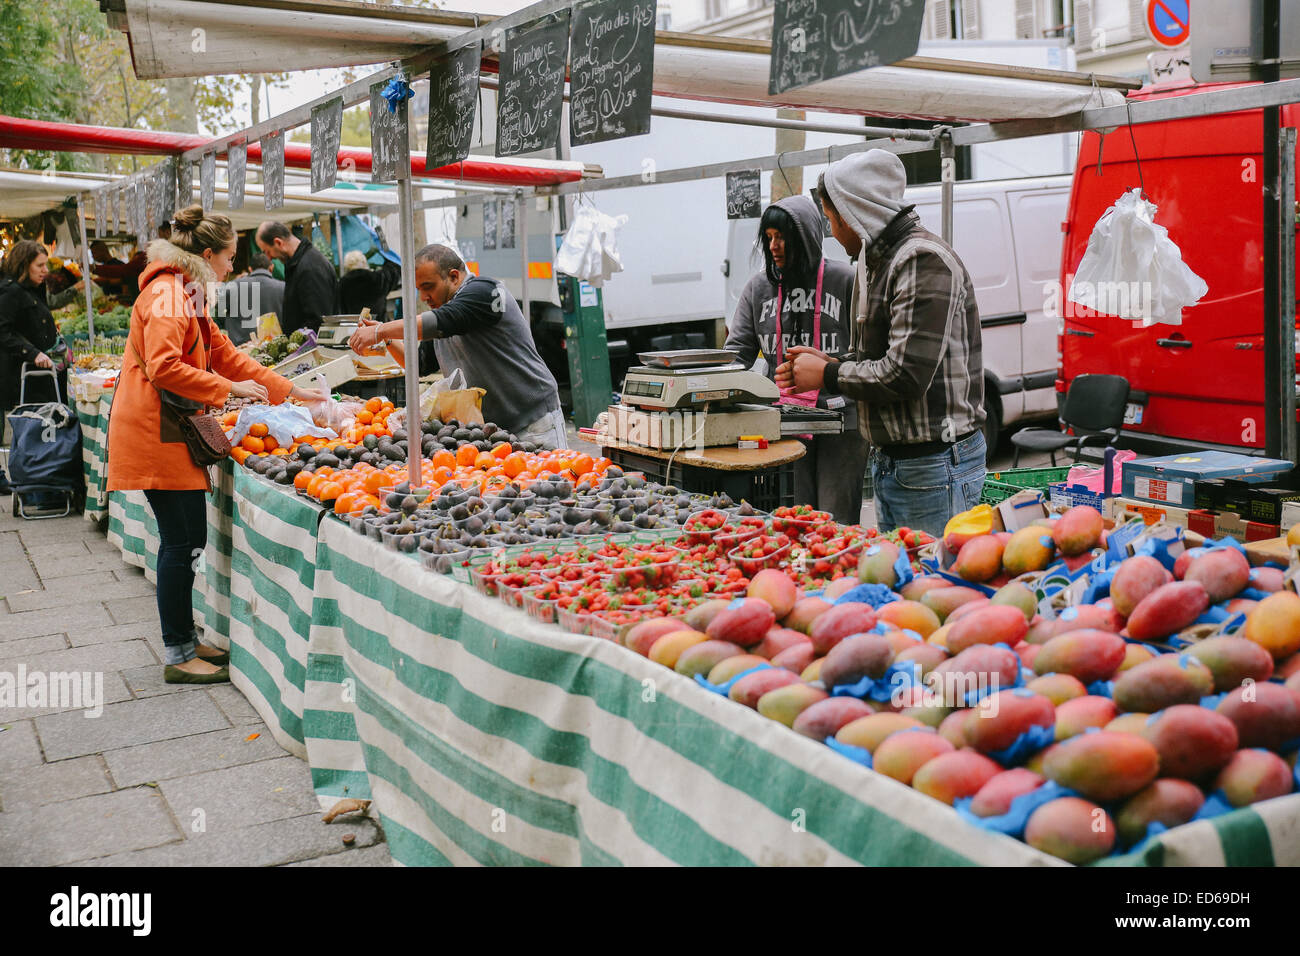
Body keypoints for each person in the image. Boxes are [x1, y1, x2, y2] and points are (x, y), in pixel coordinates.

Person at [106, 206, 324, 684]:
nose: (233, 268)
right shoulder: (167, 294)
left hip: (166, 425)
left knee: (187, 539)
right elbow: (164, 366)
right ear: (207, 255)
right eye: (229, 258)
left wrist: (293, 389)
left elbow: (224, 353)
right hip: (153, 429)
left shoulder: (185, 291)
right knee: (181, 541)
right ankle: (179, 654)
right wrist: (225, 390)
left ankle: (185, 637)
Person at [777, 150, 986, 537]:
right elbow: (877, 356)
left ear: (854, 212)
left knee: (933, 587)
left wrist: (828, 374)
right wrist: (831, 361)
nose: (831, 230)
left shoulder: (921, 260)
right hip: (900, 464)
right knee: (906, 587)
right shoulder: (875, 263)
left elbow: (905, 374)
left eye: (831, 218)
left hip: (933, 466)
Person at [725, 196, 868, 524]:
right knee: (795, 519)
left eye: (783, 237)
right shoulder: (758, 289)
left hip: (842, 422)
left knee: (836, 519)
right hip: (785, 423)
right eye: (769, 237)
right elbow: (737, 354)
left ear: (806, 237)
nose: (774, 246)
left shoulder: (846, 281)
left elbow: (867, 352)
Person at [347, 244, 565, 448]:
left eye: (428, 287)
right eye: (419, 289)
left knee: (548, 485)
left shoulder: (484, 292)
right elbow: (418, 364)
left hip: (534, 423)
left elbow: (443, 319)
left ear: (453, 276)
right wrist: (386, 339)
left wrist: (379, 330)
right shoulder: (447, 316)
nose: (423, 297)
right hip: (491, 430)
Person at [0, 240, 74, 496]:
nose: (45, 270)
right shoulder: (11, 292)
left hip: (41, 372)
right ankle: (37, 482)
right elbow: (3, 331)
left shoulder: (34, 289)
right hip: (23, 372)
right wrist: (33, 353)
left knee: (45, 423)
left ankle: (47, 479)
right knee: (34, 425)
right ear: (24, 265)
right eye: (39, 265)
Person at [254, 221, 339, 335]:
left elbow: (318, 322)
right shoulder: (298, 264)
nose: (269, 258)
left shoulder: (310, 267)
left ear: (278, 243)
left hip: (313, 351)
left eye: (267, 251)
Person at [213, 251, 285, 343]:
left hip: (241, 347)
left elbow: (219, 311)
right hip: (274, 347)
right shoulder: (283, 287)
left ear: (250, 269)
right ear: (271, 268)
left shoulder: (233, 286)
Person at [339, 249, 400, 321]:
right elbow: (394, 270)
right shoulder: (377, 278)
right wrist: (386, 252)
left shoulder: (342, 284)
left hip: (354, 328)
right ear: (364, 262)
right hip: (378, 326)